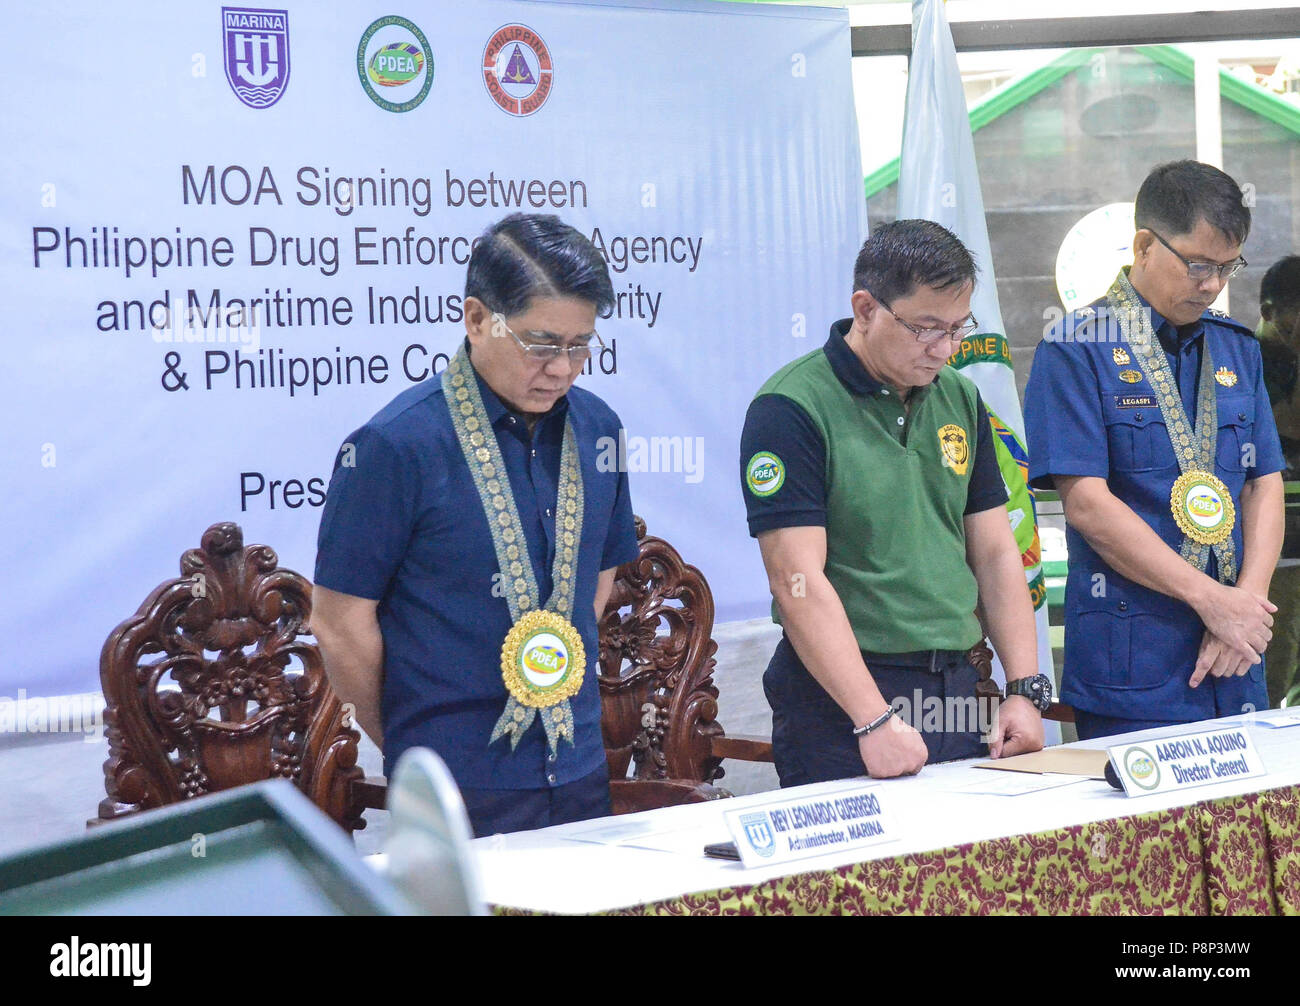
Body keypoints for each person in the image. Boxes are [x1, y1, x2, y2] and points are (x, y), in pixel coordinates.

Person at [312, 213, 639, 837]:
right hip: (452, 780)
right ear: (476, 319)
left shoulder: (601, 431)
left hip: (577, 765)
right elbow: (338, 622)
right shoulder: (394, 446)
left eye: (581, 345)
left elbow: (596, 583)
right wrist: (412, 738)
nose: (564, 368)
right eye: (542, 344)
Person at [740, 219, 1047, 786]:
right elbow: (795, 579)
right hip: (842, 697)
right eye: (925, 328)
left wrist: (1025, 689)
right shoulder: (791, 407)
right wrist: (871, 717)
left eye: (958, 328)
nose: (945, 350)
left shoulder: (960, 397)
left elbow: (997, 556)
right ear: (865, 308)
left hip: (955, 686)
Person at [1024, 160, 1284, 741]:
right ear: (1144, 244)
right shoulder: (1075, 347)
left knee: (1248, 829)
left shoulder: (1235, 347)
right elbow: (1087, 504)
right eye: (1197, 264)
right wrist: (1210, 601)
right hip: (1137, 657)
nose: (1213, 284)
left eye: (1226, 266)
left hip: (1237, 654)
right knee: (1143, 832)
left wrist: (1245, 603)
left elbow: (1261, 481)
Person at [1256, 256, 1300, 706]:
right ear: (1269, 311)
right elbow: (1282, 424)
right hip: (1275, 556)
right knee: (1271, 672)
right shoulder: (1245, 360)